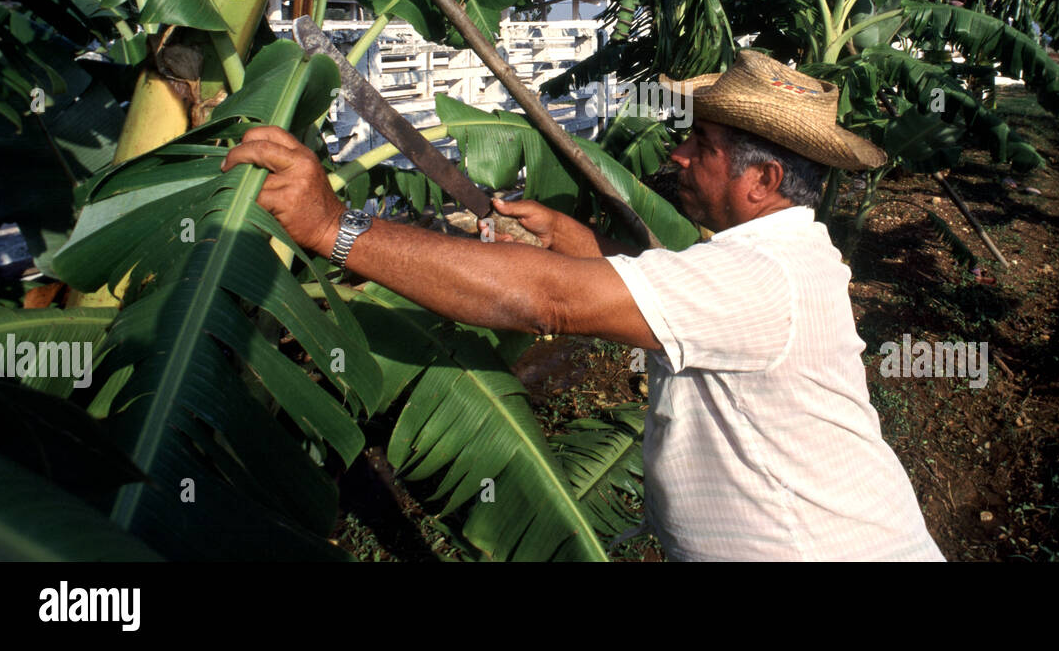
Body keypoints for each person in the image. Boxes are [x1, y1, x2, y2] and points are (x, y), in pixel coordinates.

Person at [223, 49, 944, 561]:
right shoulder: (774, 259)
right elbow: (670, 310)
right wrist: (581, 247)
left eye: (703, 145)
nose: (680, 156)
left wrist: (332, 228)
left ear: (764, 181)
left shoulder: (765, 277)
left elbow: (549, 303)